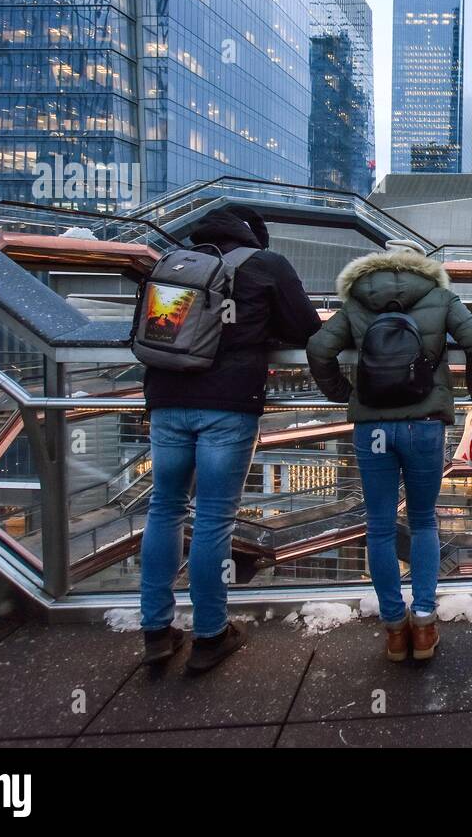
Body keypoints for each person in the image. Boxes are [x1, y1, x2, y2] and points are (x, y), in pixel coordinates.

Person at [140, 205, 319, 672]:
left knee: (164, 509)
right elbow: (307, 329)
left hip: (165, 399)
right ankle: (209, 634)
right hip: (227, 405)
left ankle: (156, 632)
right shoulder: (265, 264)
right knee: (214, 520)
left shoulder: (172, 262)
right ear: (253, 235)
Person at [308, 239, 472, 661]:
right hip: (424, 425)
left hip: (373, 427)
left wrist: (345, 393)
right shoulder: (440, 296)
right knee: (424, 521)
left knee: (379, 525)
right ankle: (424, 623)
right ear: (420, 265)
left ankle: (394, 629)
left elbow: (320, 348)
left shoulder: (356, 300)